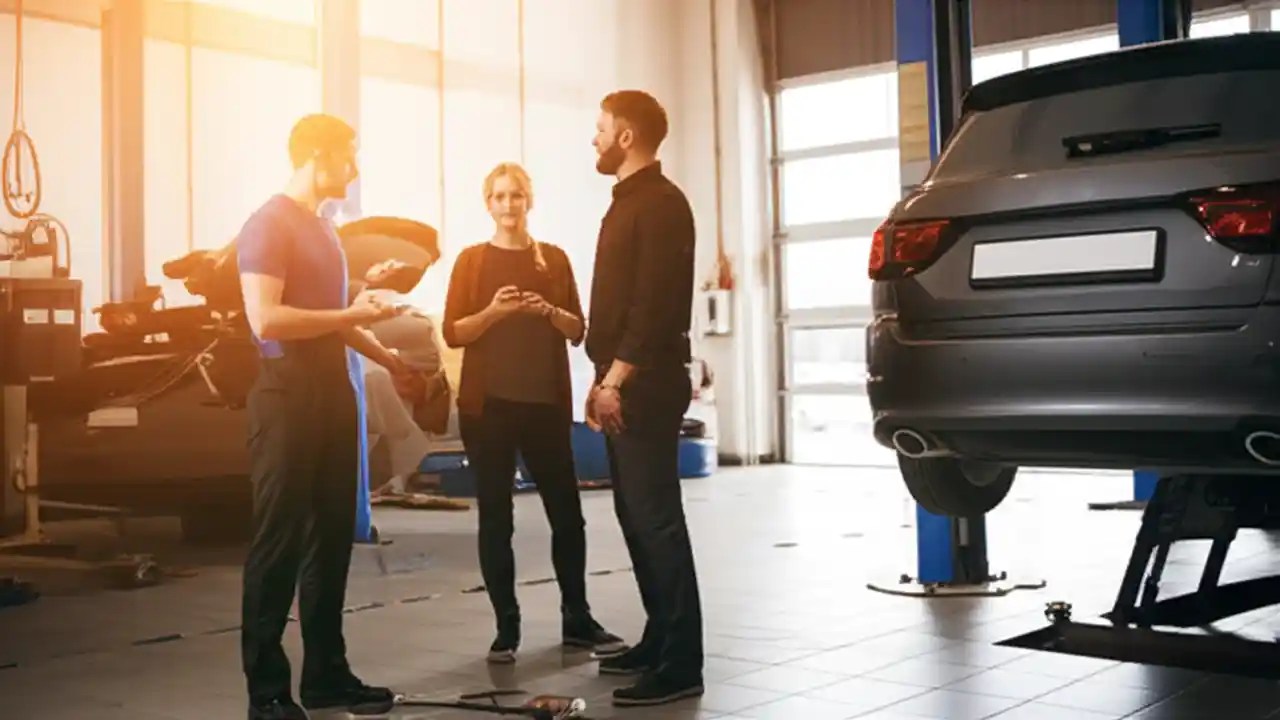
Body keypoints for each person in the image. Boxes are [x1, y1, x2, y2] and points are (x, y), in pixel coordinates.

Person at [237, 113, 404, 720]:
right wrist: (351, 316)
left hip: (332, 396)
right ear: (316, 155)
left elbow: (337, 318)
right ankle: (267, 693)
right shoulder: (268, 224)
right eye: (347, 157)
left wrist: (391, 357)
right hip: (285, 398)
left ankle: (327, 677)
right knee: (279, 545)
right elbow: (268, 320)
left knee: (331, 541)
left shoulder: (323, 230)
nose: (354, 170)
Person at [442, 162, 622, 664]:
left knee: (568, 514)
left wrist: (545, 309)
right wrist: (495, 312)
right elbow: (454, 332)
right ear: (487, 203)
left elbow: (575, 330)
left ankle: (577, 618)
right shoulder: (472, 262)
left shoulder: (554, 261)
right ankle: (506, 626)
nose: (507, 204)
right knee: (496, 519)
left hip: (544, 404)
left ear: (528, 201)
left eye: (516, 195)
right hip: (488, 409)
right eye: (498, 196)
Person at [584, 90, 704, 707]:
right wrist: (602, 373)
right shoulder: (630, 202)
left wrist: (615, 379)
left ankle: (681, 662)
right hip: (625, 375)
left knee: (656, 519)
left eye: (601, 129)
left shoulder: (659, 204)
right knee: (636, 516)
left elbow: (652, 306)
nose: (595, 139)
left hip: (647, 381)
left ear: (626, 136)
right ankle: (661, 636)